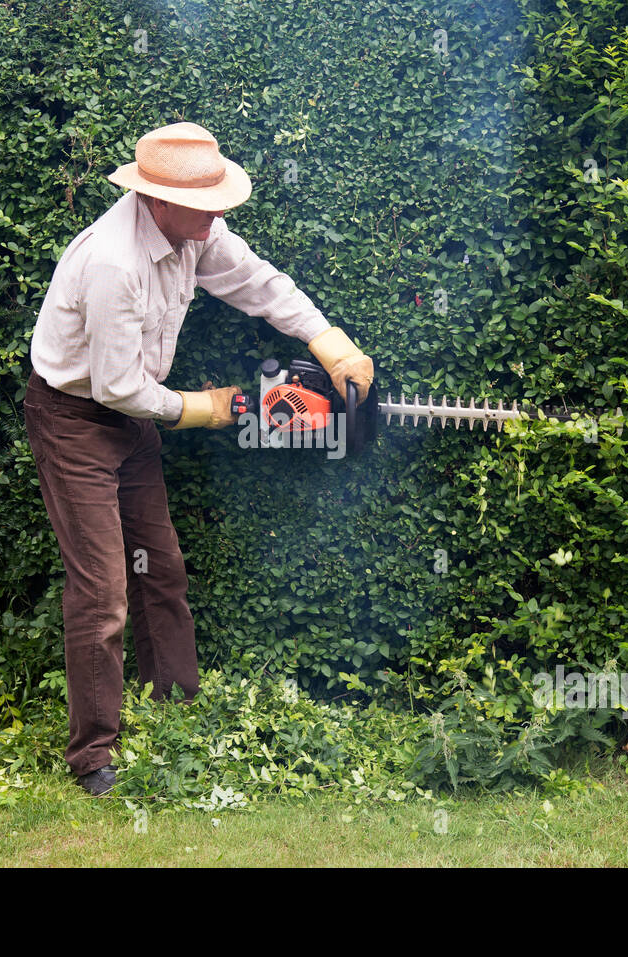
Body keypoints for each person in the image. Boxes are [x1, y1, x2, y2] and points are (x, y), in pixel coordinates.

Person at [24, 121, 374, 795]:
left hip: (133, 421)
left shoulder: (195, 232)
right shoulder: (113, 264)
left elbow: (258, 283)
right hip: (75, 421)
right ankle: (92, 753)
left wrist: (327, 338)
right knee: (101, 594)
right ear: (157, 200)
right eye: (206, 203)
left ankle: (176, 708)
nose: (218, 215)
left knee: (163, 566)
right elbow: (117, 386)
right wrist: (206, 408)